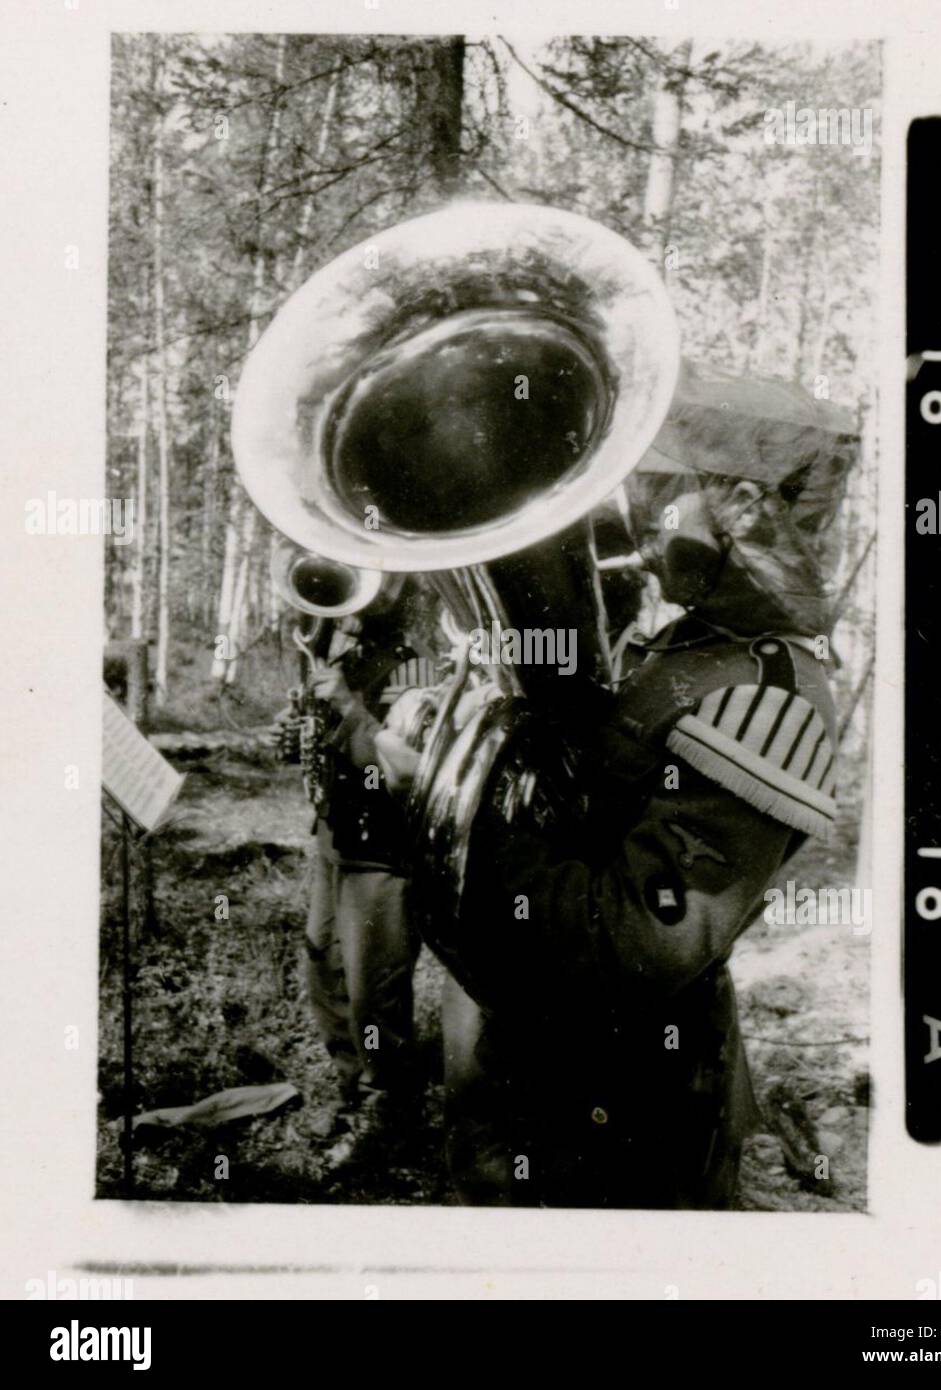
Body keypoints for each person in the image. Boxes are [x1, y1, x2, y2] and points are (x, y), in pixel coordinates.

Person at [425, 363, 857, 1207]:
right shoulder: (687, 653)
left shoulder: (759, 693)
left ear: (743, 508)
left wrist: (478, 840)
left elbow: (631, 942)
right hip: (549, 1059)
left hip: (630, 1098)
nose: (636, 527)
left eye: (663, 494)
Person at [274, 587, 440, 1163]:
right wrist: (297, 735)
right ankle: (349, 1086)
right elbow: (326, 743)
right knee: (324, 965)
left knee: (375, 992)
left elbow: (407, 772)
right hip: (334, 839)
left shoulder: (413, 663)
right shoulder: (337, 651)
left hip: (383, 849)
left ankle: (389, 1108)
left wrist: (348, 708)